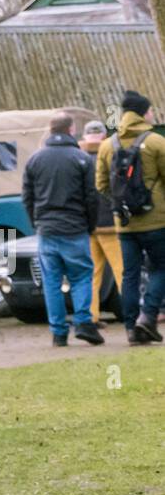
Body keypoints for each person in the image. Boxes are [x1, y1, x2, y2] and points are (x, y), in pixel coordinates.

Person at [21, 112, 103, 346]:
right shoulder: (82, 158)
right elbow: (91, 197)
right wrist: (90, 224)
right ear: (71, 129)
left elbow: (27, 197)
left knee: (51, 282)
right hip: (75, 228)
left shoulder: (35, 160)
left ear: (51, 129)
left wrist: (36, 223)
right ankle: (84, 322)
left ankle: (58, 332)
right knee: (81, 276)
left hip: (47, 230)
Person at [95, 90, 165, 344]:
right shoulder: (156, 141)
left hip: (123, 224)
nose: (152, 113)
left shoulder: (107, 145)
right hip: (156, 221)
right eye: (149, 110)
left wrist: (122, 201)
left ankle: (130, 330)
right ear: (142, 112)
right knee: (161, 268)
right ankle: (147, 317)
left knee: (129, 275)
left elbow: (101, 185)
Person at [79, 119, 122, 324]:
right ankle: (133, 314)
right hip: (110, 223)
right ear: (103, 136)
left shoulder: (77, 157)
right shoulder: (111, 153)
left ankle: (91, 316)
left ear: (85, 136)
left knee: (91, 274)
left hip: (87, 226)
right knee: (122, 271)